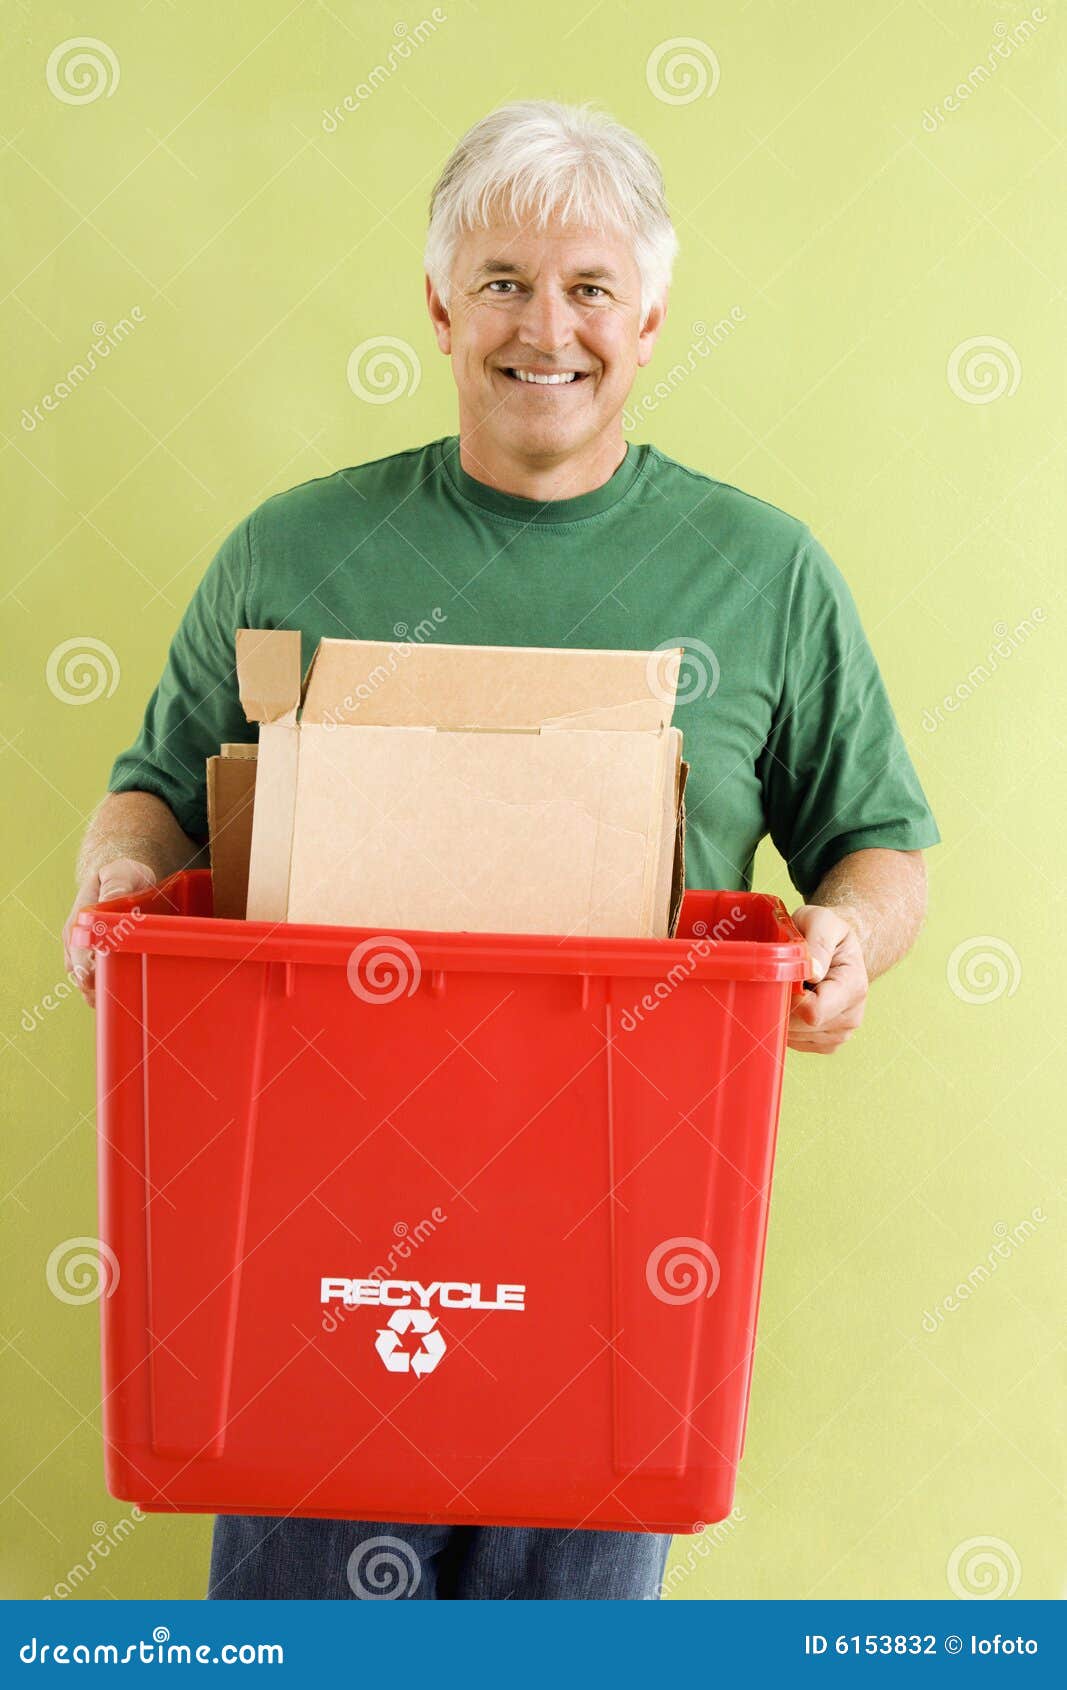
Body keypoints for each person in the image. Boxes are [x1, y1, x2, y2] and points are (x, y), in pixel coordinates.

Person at [63, 100, 939, 1599]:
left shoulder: (764, 573)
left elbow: (876, 843)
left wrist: (849, 936)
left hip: (618, 1244)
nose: (548, 328)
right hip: (309, 1235)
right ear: (438, 303)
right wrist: (119, 884)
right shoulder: (294, 551)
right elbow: (151, 793)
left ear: (647, 317)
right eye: (504, 283)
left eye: (592, 287)